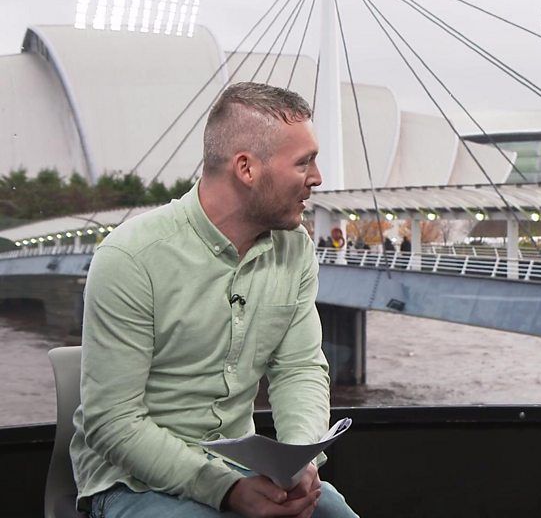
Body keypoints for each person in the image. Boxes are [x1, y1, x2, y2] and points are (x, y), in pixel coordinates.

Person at [70, 82, 359, 518]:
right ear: (246, 169)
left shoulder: (295, 248)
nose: (317, 179)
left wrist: (299, 462)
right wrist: (226, 490)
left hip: (242, 473)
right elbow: (113, 425)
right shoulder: (131, 258)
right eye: (304, 162)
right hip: (131, 482)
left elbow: (298, 369)